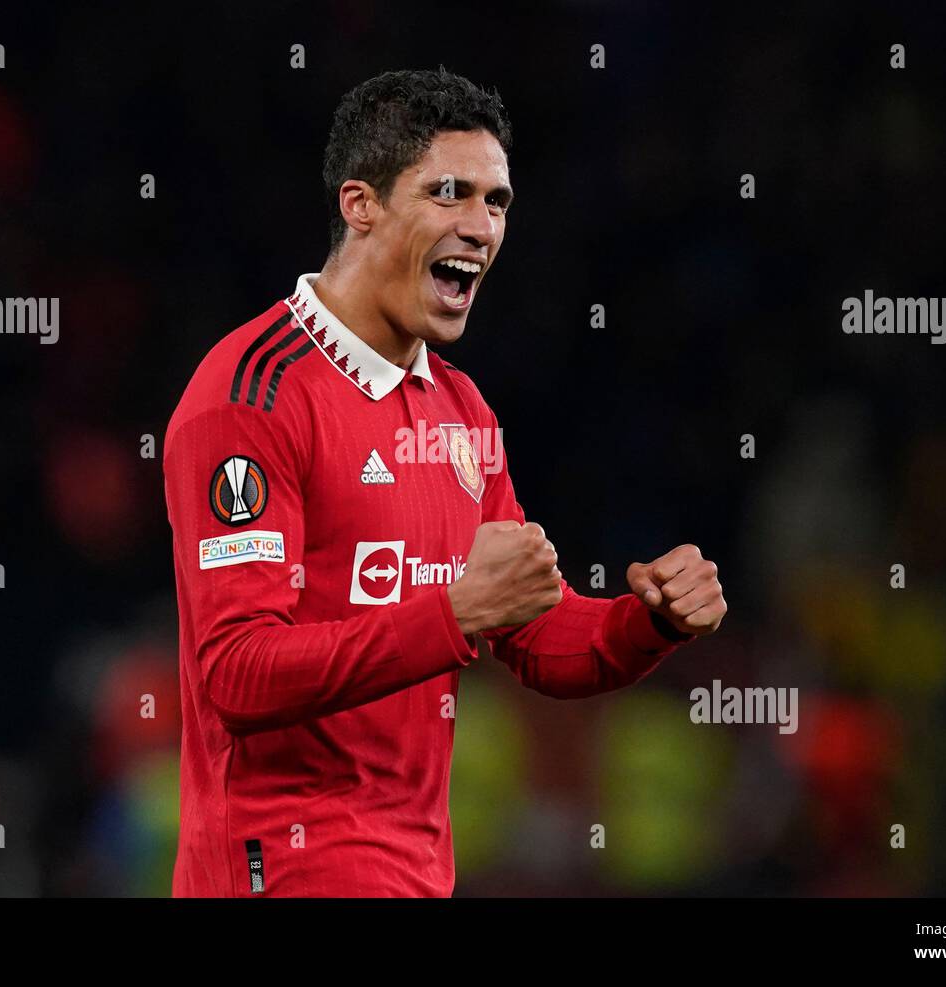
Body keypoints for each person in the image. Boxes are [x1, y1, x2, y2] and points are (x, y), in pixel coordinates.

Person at [163, 67, 727, 897]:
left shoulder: (461, 410)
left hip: (416, 872)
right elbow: (238, 671)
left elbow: (533, 634)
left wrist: (643, 623)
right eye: (448, 194)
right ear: (361, 205)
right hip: (280, 869)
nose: (480, 227)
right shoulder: (252, 395)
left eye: (496, 202)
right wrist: (452, 613)